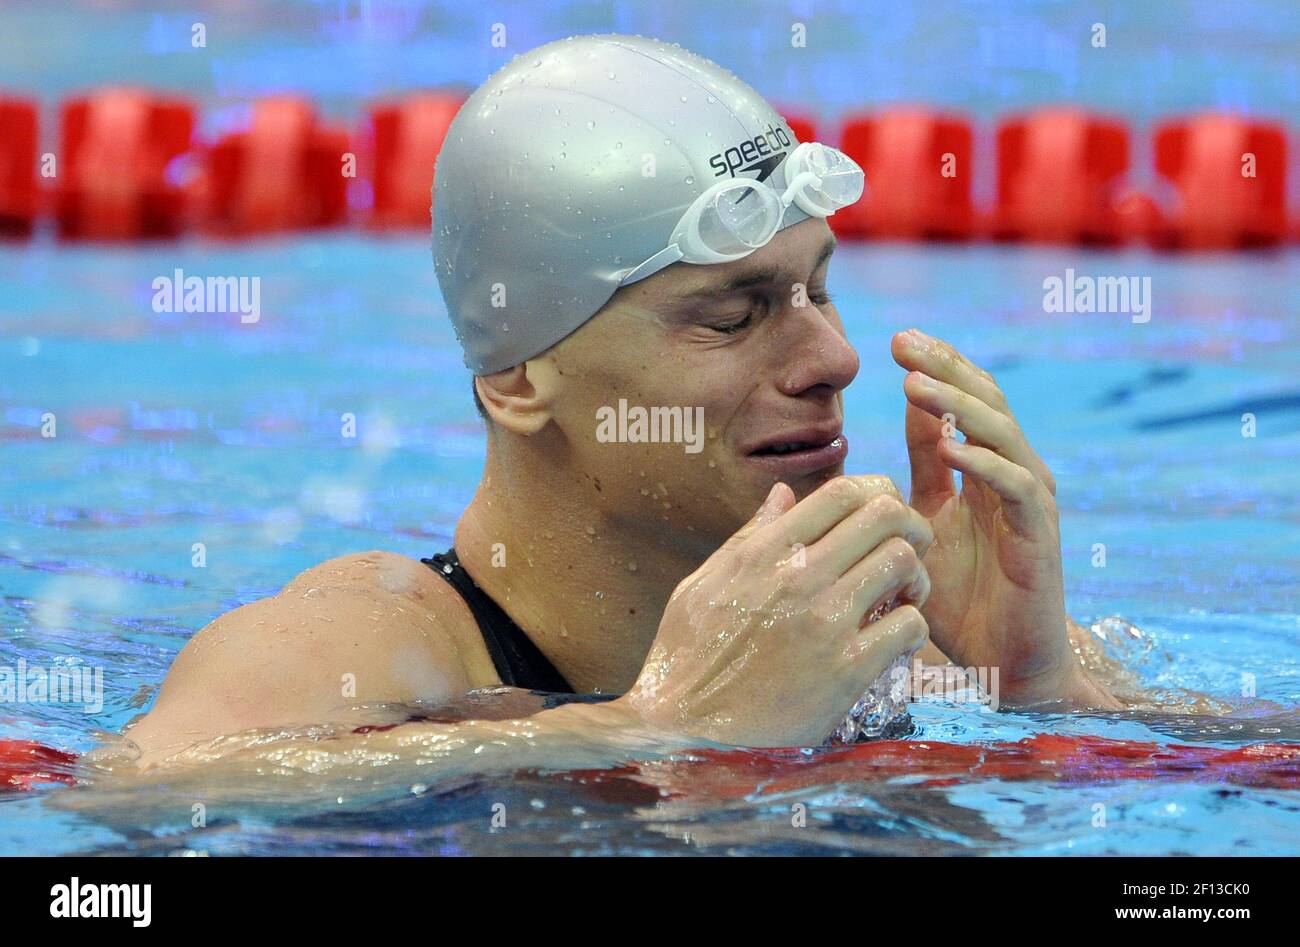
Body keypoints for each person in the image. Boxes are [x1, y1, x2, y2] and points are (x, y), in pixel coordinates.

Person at [121, 33, 1130, 773]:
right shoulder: (364, 650)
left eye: (816, 288)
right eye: (731, 317)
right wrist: (649, 725)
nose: (835, 358)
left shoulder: (870, 630)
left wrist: (1037, 689)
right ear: (518, 376)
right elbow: (117, 803)